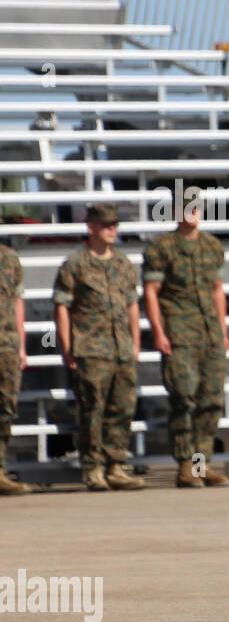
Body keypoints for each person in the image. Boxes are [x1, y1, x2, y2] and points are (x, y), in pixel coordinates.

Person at [53, 204, 145, 492]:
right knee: (92, 409)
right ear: (90, 228)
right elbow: (62, 307)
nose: (112, 230)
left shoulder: (123, 264)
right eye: (106, 225)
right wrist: (67, 345)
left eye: (114, 225)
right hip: (90, 348)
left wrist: (135, 342)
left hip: (121, 348)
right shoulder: (75, 264)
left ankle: (115, 465)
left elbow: (132, 305)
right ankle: (93, 468)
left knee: (122, 408)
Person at [142, 202, 229, 488]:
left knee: (211, 400)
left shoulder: (212, 246)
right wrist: (158, 331)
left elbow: (217, 289)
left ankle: (201, 465)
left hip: (209, 334)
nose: (193, 213)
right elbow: (151, 292)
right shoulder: (162, 248)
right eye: (187, 208)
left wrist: (223, 330)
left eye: (197, 208)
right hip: (179, 333)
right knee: (184, 398)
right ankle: (185, 465)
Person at [0, 241, 32, 495]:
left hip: (7, 345)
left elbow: (17, 303)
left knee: (5, 408)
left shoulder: (10, 258)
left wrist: (21, 344)